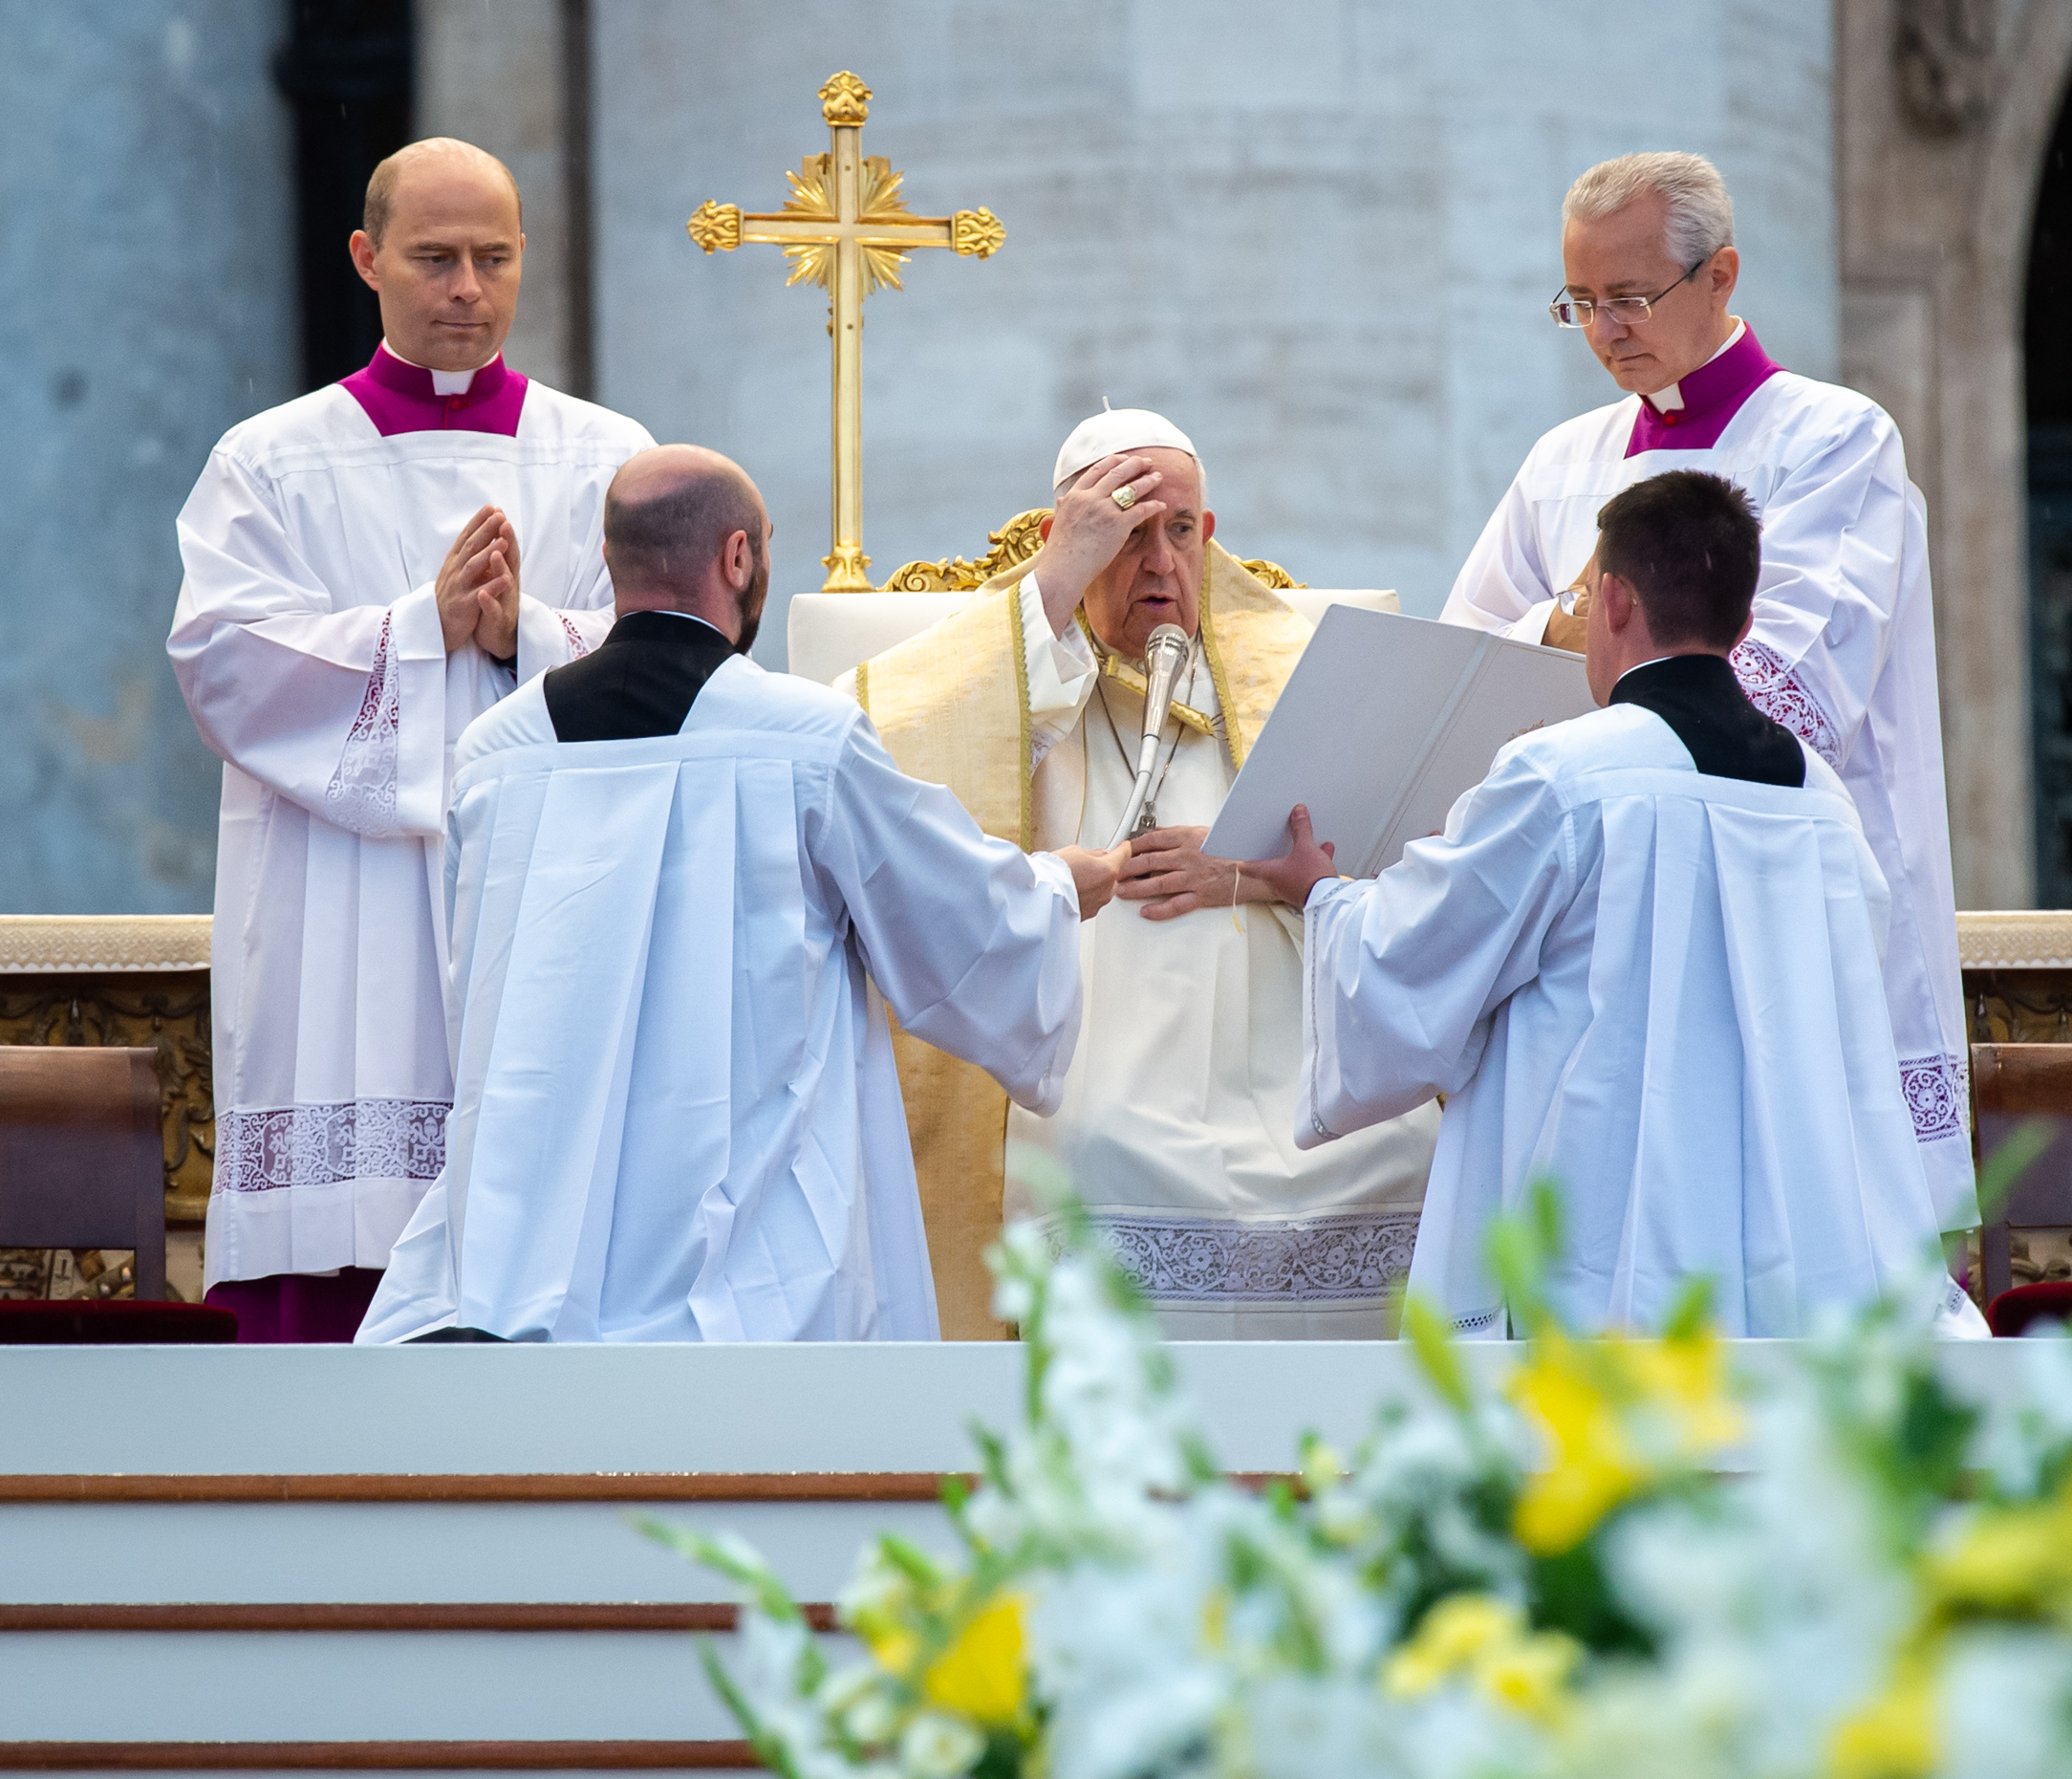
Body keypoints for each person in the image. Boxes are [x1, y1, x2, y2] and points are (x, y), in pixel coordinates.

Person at [357, 448, 1122, 1343]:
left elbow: (475, 994)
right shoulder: (803, 740)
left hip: (527, 1263)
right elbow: (952, 919)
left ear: (611, 563)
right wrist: (1060, 883)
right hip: (751, 1280)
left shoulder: (495, 754)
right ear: (737, 559)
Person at [1264, 471, 1982, 1339]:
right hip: (1793, 1261)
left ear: (1610, 599)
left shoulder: (1565, 776)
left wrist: (1327, 896)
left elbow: (1414, 956)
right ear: (1743, 624)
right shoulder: (1822, 801)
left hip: (1605, 1268)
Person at [1439, 151, 1977, 1240]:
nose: (1605, 329)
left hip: (1781, 896)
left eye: (1631, 298)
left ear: (1721, 274)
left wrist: (1590, 631)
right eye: (1580, 303)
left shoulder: (1832, 439)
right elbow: (1462, 664)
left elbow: (1788, 691)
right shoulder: (1560, 462)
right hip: (1597, 922)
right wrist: (1560, 622)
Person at [168, 139, 652, 1340]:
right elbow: (223, 659)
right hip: (344, 911)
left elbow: (673, 660)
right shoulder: (271, 461)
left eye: (493, 258)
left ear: (524, 257)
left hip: (541, 894)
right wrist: (419, 632)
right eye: (435, 259)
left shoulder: (609, 458)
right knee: (343, 1249)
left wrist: (528, 632)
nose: (466, 289)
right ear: (366, 258)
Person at [854, 411, 1439, 1339]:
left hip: (1285, 1059)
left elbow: (1387, 847)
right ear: (1071, 543)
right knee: (1095, 1158)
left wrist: (1241, 868)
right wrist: (1057, 580)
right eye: (1126, 536)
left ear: (1208, 538)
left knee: (1404, 1154)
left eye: (1177, 531)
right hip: (1096, 1058)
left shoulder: (1282, 672)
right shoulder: (1025, 678)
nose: (1158, 563)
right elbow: (898, 754)